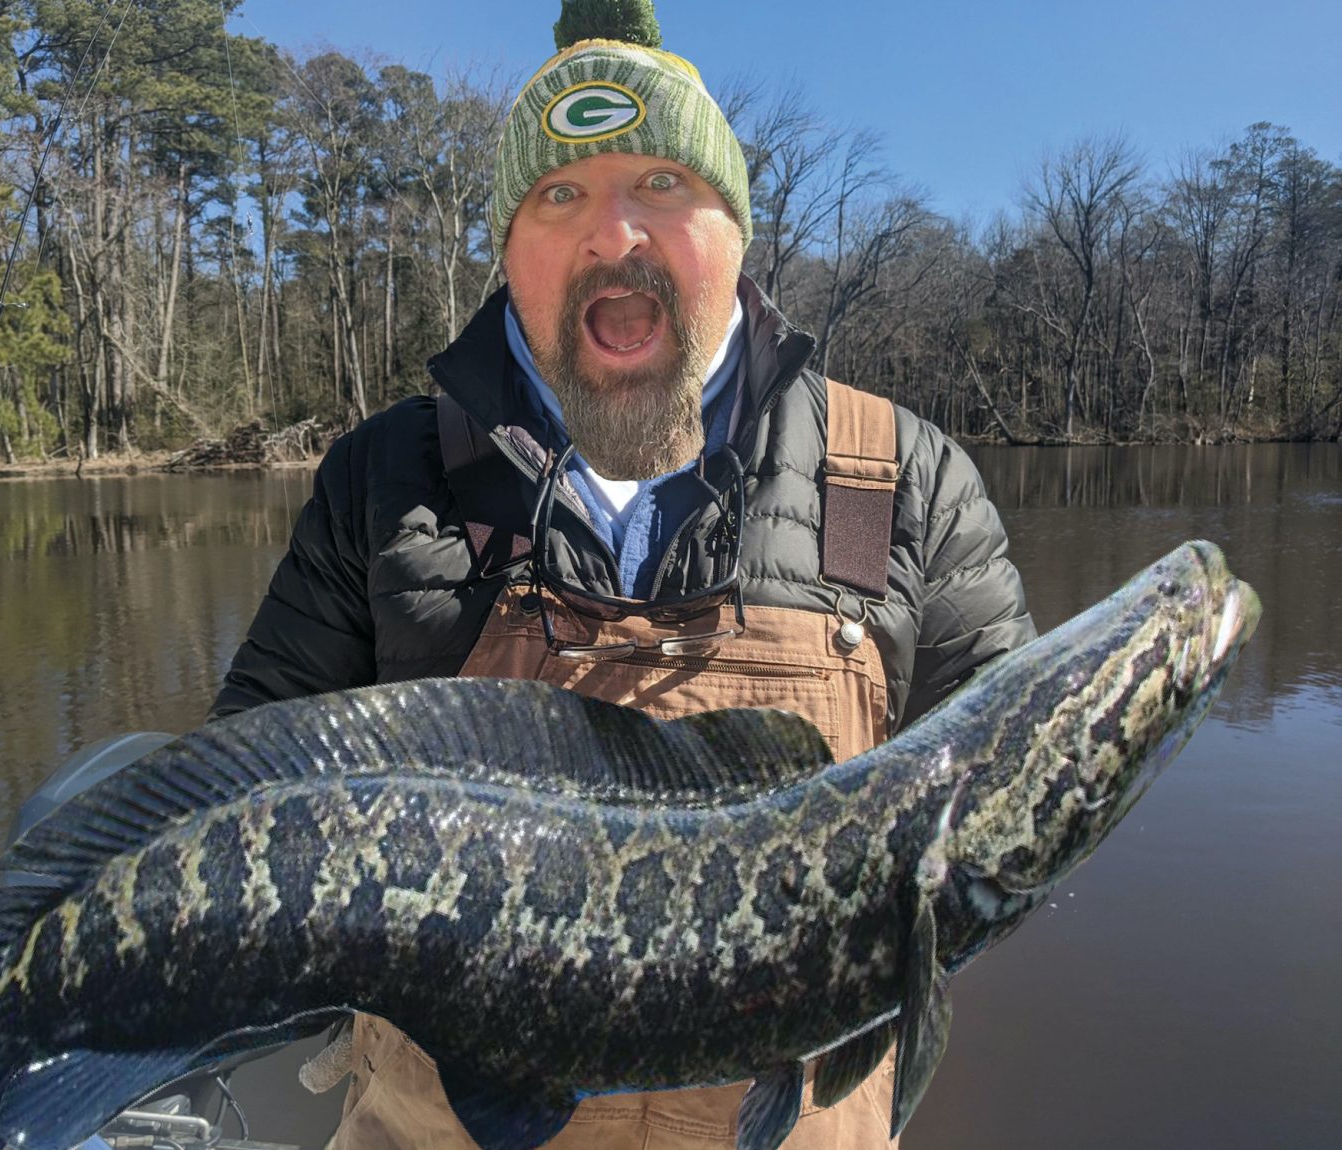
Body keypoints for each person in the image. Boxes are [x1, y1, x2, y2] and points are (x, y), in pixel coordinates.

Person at [212, 3, 1035, 1146]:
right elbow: (240, 796)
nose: (614, 234)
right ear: (508, 249)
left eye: (661, 183)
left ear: (737, 230)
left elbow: (996, 833)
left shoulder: (900, 482)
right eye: (561, 194)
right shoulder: (383, 479)